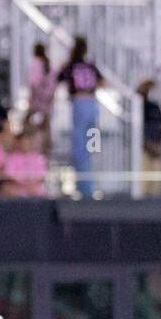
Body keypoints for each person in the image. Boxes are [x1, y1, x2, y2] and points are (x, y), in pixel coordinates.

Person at [57, 36, 104, 199]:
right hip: (93, 104)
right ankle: (91, 186)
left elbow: (58, 78)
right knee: (92, 145)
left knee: (79, 149)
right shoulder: (90, 65)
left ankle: (84, 189)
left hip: (80, 103)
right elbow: (102, 82)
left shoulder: (71, 65)